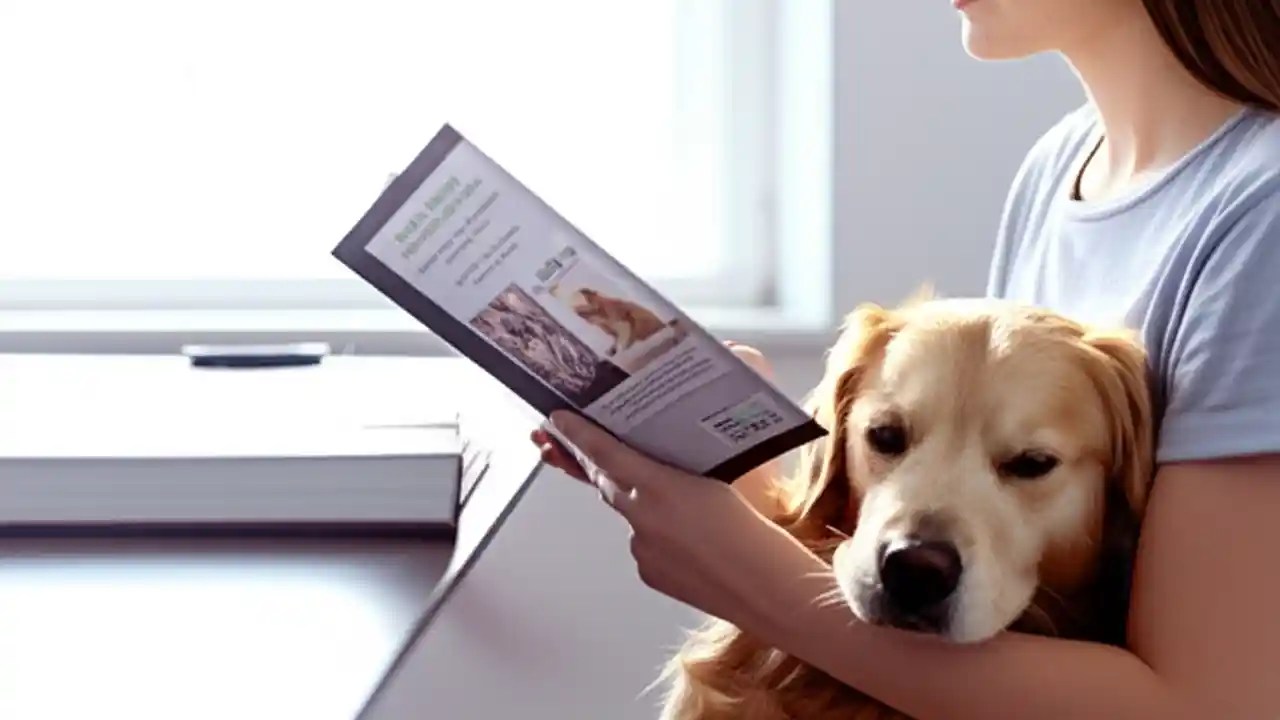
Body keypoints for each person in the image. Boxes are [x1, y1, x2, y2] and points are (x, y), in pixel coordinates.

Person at [531, 1, 1280, 717]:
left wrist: (745, 574)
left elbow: (1210, 707)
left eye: (1029, 464)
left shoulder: (1264, 212)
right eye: (886, 436)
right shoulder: (1063, 166)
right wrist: (747, 495)